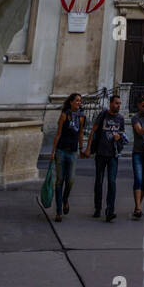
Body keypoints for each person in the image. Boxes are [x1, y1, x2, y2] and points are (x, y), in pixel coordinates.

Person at [85, 92, 126, 222]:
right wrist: (88, 148)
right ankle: (97, 207)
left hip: (113, 154)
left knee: (112, 182)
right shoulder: (103, 115)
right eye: (116, 103)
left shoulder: (120, 118)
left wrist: (119, 137)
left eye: (119, 104)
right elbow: (93, 131)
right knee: (99, 180)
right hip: (101, 153)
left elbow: (122, 135)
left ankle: (110, 210)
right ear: (110, 103)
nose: (118, 106)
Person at [49, 91, 84, 222]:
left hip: (73, 151)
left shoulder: (81, 117)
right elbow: (58, 134)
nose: (78, 103)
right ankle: (58, 211)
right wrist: (52, 152)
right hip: (61, 150)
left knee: (70, 180)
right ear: (71, 102)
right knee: (59, 180)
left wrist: (81, 149)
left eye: (80, 101)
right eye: (76, 101)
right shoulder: (64, 115)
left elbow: (80, 133)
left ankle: (65, 199)